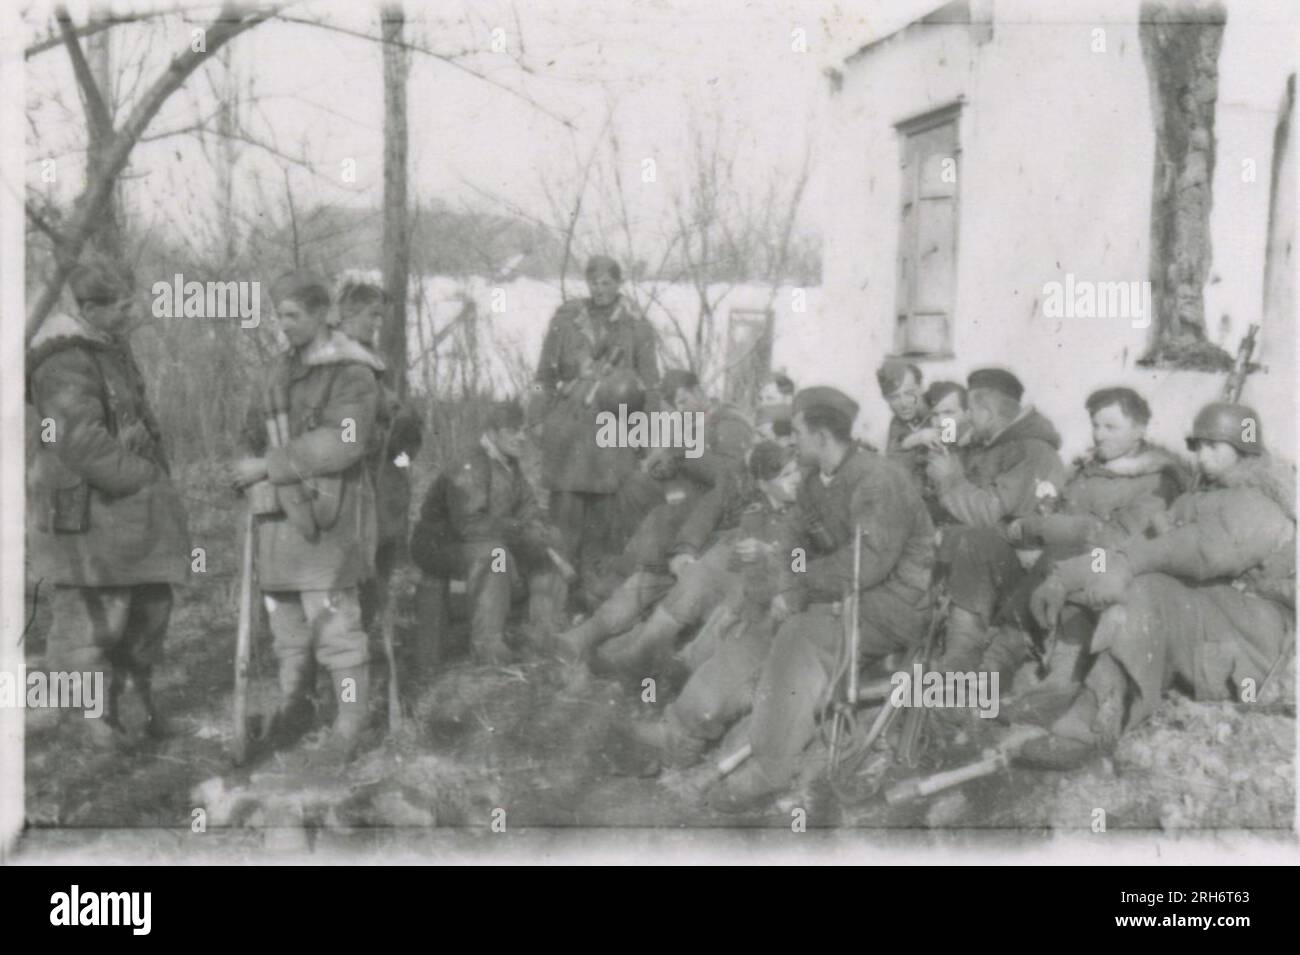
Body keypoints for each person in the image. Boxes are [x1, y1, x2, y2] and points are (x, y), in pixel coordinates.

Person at [1023, 402, 1295, 768]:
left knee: (1146, 589)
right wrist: (1066, 576)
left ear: (1245, 447)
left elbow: (1204, 552)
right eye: (1197, 446)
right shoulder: (1197, 498)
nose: (1202, 456)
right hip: (1208, 623)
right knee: (1114, 585)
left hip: (1247, 644)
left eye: (1215, 446)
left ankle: (1100, 721)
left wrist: (1127, 566)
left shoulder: (1259, 502)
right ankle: (1064, 694)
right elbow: (1130, 546)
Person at [711, 387, 936, 810]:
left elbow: (865, 565)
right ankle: (748, 728)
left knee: (801, 635)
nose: (790, 441)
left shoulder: (877, 480)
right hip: (850, 593)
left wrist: (802, 582)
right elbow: (793, 541)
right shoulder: (817, 481)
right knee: (784, 619)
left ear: (821, 436)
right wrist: (793, 584)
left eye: (796, 432)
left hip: (896, 602)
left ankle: (772, 768)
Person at [26, 262, 189, 749]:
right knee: (91, 621)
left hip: (126, 514)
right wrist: (146, 478)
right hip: (91, 516)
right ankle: (87, 722)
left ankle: (133, 712)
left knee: (143, 613)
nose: (130, 311)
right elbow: (81, 443)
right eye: (120, 304)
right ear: (89, 308)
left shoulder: (107, 351)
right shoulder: (64, 359)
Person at [233, 270, 382, 764]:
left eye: (293, 316)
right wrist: (251, 471)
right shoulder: (278, 370)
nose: (283, 325)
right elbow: (253, 430)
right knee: (288, 629)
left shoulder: (352, 371)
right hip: (279, 520)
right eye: (279, 315)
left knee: (336, 630)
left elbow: (343, 442)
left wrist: (268, 466)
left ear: (322, 316)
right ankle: (295, 708)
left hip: (330, 520)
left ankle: (350, 722)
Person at [551, 370, 753, 663]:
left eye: (684, 401)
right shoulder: (694, 425)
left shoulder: (729, 423)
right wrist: (665, 465)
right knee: (641, 503)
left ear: (700, 392)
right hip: (690, 520)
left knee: (658, 560)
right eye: (676, 404)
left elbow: (727, 477)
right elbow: (688, 469)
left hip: (718, 527)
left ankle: (617, 637)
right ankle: (588, 632)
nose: (681, 409)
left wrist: (681, 454)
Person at [991, 386, 1190, 683]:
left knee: (1061, 558)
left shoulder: (1157, 481)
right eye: (1095, 425)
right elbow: (1055, 510)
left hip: (1112, 567)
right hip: (1064, 560)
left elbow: (1117, 538)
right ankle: (996, 657)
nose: (1099, 435)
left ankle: (1035, 664)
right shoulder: (1087, 468)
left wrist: (1042, 529)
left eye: (1111, 427)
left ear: (1139, 430)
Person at [624, 442, 802, 769]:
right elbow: (745, 574)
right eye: (786, 475)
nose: (797, 479)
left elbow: (807, 566)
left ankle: (680, 745)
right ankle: (673, 731)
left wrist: (771, 556)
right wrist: (732, 611)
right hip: (753, 606)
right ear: (763, 484)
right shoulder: (756, 516)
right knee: (705, 645)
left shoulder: (806, 516)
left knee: (724, 669)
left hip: (787, 618)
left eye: (797, 471)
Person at [531, 255, 661, 607]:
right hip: (569, 433)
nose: (600, 289)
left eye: (607, 283)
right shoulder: (566, 321)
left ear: (619, 284)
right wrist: (538, 421)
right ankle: (550, 608)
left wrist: (644, 439)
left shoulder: (637, 328)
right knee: (562, 525)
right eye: (594, 282)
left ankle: (595, 606)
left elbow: (651, 387)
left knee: (605, 526)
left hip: (613, 432)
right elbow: (543, 377)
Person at [924, 368, 1066, 673]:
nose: (967, 419)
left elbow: (989, 516)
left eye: (971, 411)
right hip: (990, 569)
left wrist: (950, 481)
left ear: (987, 412)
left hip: (1023, 578)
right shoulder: (996, 446)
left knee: (975, 543)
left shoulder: (1031, 452)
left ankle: (959, 661)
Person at [409, 400, 566, 664]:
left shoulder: (509, 464)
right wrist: (519, 530)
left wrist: (538, 529)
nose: (521, 437)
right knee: (496, 556)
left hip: (481, 539)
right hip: (440, 544)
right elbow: (469, 525)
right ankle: (486, 643)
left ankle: (542, 632)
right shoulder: (471, 462)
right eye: (512, 430)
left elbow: (528, 506)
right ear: (492, 432)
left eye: (524, 430)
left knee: (551, 539)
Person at [334, 281, 424, 634]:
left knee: (380, 559)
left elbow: (401, 428)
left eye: (380, 317)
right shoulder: (336, 358)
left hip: (385, 477)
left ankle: (365, 636)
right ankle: (346, 647)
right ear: (348, 314)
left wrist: (404, 448)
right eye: (372, 315)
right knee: (354, 566)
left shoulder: (372, 359)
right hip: (352, 482)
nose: (377, 324)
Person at [877, 360, 930, 485]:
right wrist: (914, 440)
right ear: (886, 399)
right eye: (894, 397)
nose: (903, 404)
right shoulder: (897, 422)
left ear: (921, 388)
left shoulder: (943, 410)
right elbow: (894, 468)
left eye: (909, 394)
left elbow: (950, 448)